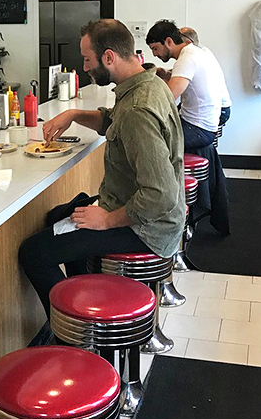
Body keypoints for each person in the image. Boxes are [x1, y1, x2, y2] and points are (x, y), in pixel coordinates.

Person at [18, 19, 185, 319]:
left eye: (87, 60)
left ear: (109, 57)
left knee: (34, 253)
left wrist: (107, 220)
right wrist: (73, 114)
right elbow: (112, 121)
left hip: (148, 228)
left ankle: (72, 330)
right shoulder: (148, 83)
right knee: (57, 216)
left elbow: (160, 195)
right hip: (142, 210)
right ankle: (84, 299)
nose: (84, 68)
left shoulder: (138, 110)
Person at [146, 19, 229, 234]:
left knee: (148, 145)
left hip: (198, 129)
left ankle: (164, 211)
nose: (155, 54)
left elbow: (168, 97)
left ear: (168, 41)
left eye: (155, 49)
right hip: (203, 125)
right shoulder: (195, 52)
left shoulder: (187, 59)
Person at [179, 26, 231, 126]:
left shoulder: (195, 55)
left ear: (188, 43)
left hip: (220, 109)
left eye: (178, 42)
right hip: (222, 106)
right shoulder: (203, 51)